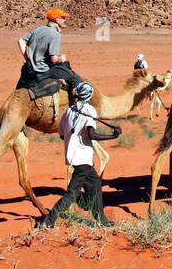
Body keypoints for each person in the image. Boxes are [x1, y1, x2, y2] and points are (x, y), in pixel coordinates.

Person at [37, 82, 120, 229]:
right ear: (89, 95)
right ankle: (48, 221)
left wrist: (74, 138)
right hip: (83, 158)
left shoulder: (69, 111)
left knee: (95, 184)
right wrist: (112, 136)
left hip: (76, 157)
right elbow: (91, 134)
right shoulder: (89, 110)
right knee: (72, 193)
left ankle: (101, 218)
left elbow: (62, 135)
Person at [16, 8, 85, 96]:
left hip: (29, 68)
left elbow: (21, 40)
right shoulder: (55, 34)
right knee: (75, 79)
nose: (65, 19)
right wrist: (62, 59)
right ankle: (79, 107)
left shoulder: (39, 29)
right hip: (43, 70)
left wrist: (28, 58)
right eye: (63, 17)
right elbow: (54, 60)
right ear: (56, 19)